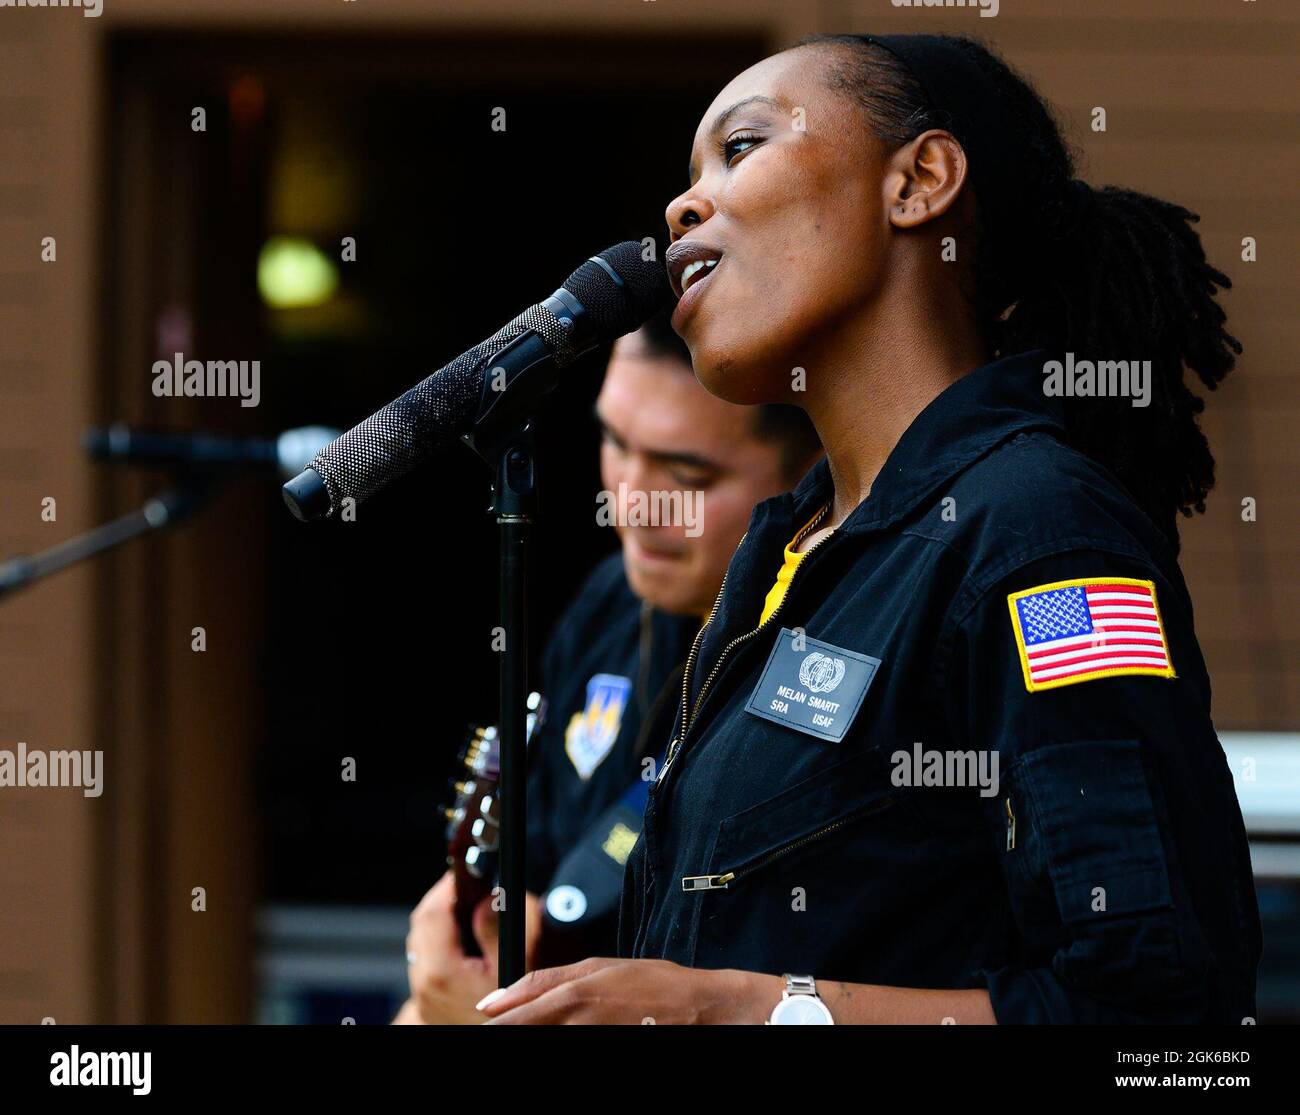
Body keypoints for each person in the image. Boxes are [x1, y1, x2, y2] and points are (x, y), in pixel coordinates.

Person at [478, 33, 1262, 1025]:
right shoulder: (784, 553)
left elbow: (1162, 1010)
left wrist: (744, 1010)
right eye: (686, 176)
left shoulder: (1043, 536)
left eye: (742, 145)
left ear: (919, 181)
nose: (681, 208)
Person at [393, 309, 821, 1023]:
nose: (631, 502)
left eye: (686, 473)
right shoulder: (610, 605)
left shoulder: (830, 656)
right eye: (616, 443)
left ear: (811, 473)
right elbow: (519, 908)